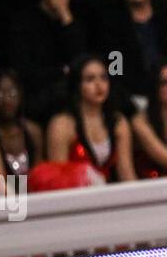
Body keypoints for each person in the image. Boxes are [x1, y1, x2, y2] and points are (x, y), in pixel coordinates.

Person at [46, 54, 136, 183]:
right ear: (77, 85)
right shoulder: (61, 125)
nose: (99, 85)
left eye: (103, 78)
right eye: (90, 79)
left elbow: (126, 172)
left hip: (110, 195)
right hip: (74, 197)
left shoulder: (118, 121)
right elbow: (57, 179)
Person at [0, 69, 44, 178]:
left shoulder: (33, 131)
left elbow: (40, 175)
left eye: (12, 92)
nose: (7, 99)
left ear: (21, 94)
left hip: (32, 193)